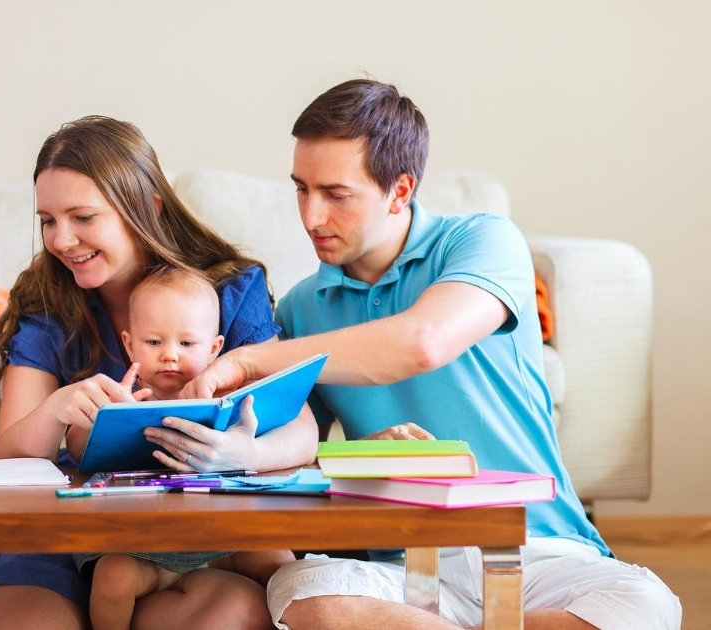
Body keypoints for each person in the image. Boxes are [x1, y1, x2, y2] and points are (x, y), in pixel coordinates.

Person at [169, 79, 682, 630]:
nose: (311, 216)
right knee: (296, 592)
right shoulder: (301, 310)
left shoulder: (483, 242)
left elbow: (423, 342)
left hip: (538, 548)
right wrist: (353, 456)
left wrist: (249, 361)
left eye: (336, 194)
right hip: (405, 571)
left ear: (400, 190)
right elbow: (301, 456)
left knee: (648, 607)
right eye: (301, 189)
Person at [0, 115, 319, 630]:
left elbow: (300, 425)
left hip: (186, 537)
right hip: (63, 528)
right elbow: (7, 453)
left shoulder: (227, 292)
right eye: (48, 220)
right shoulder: (48, 302)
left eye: (82, 217)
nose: (61, 240)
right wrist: (56, 410)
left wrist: (248, 452)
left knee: (238, 614)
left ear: (146, 207)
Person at [76, 265, 296, 630]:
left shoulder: (227, 401)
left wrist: (248, 435)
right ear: (130, 344)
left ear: (214, 350)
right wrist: (112, 420)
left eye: (187, 343)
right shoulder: (119, 398)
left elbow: (267, 436)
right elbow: (77, 444)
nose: (170, 355)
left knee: (279, 558)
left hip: (219, 542)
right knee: (112, 576)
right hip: (142, 550)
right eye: (154, 342)